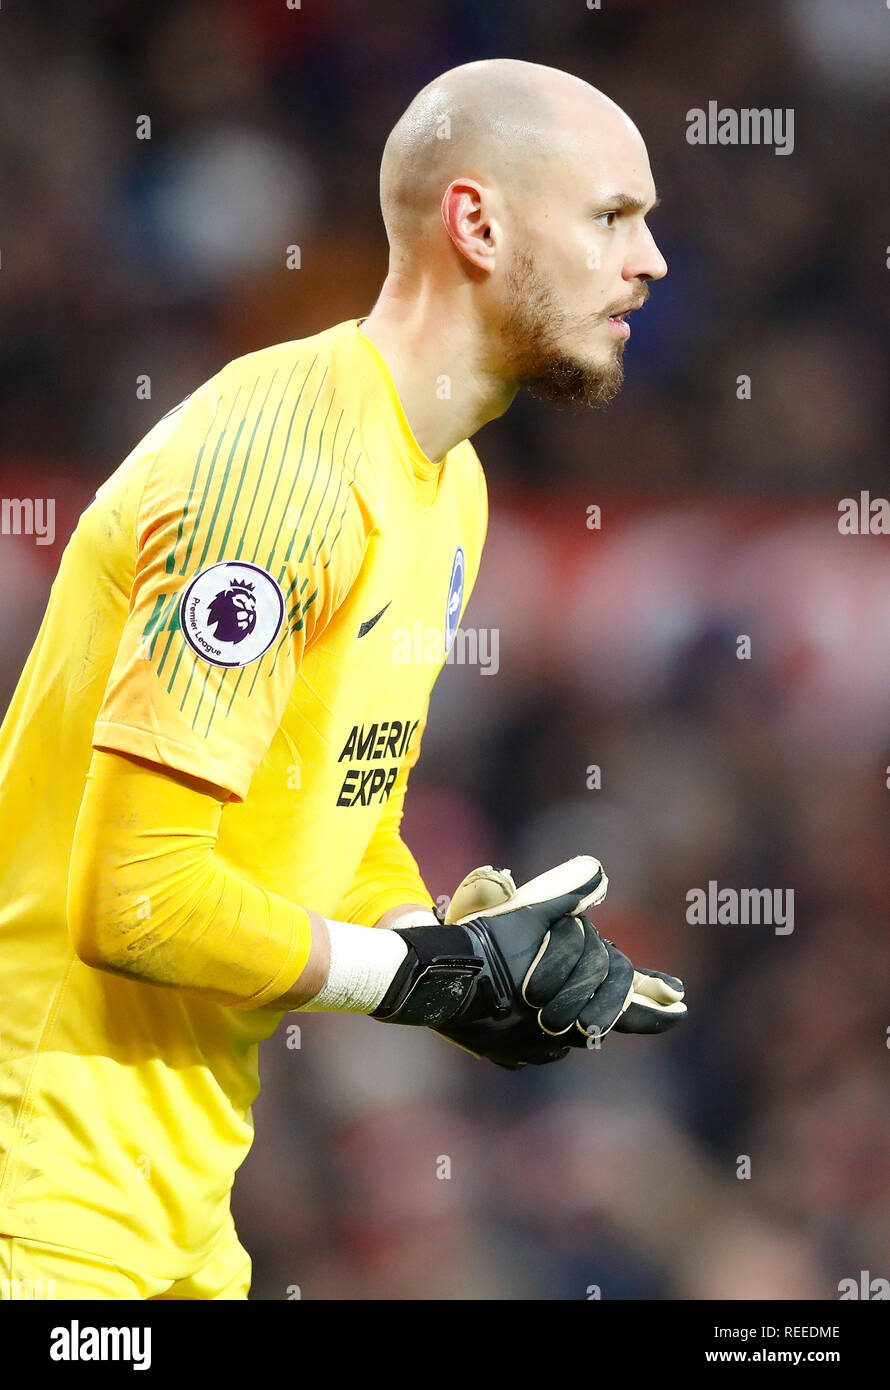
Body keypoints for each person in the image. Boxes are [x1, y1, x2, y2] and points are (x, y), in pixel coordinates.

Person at [0, 59, 684, 1301]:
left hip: (176, 1219)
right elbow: (136, 900)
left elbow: (342, 819)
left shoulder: (447, 485)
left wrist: (453, 953)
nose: (649, 262)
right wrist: (412, 985)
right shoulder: (285, 468)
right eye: (611, 217)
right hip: (37, 1202)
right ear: (476, 222)